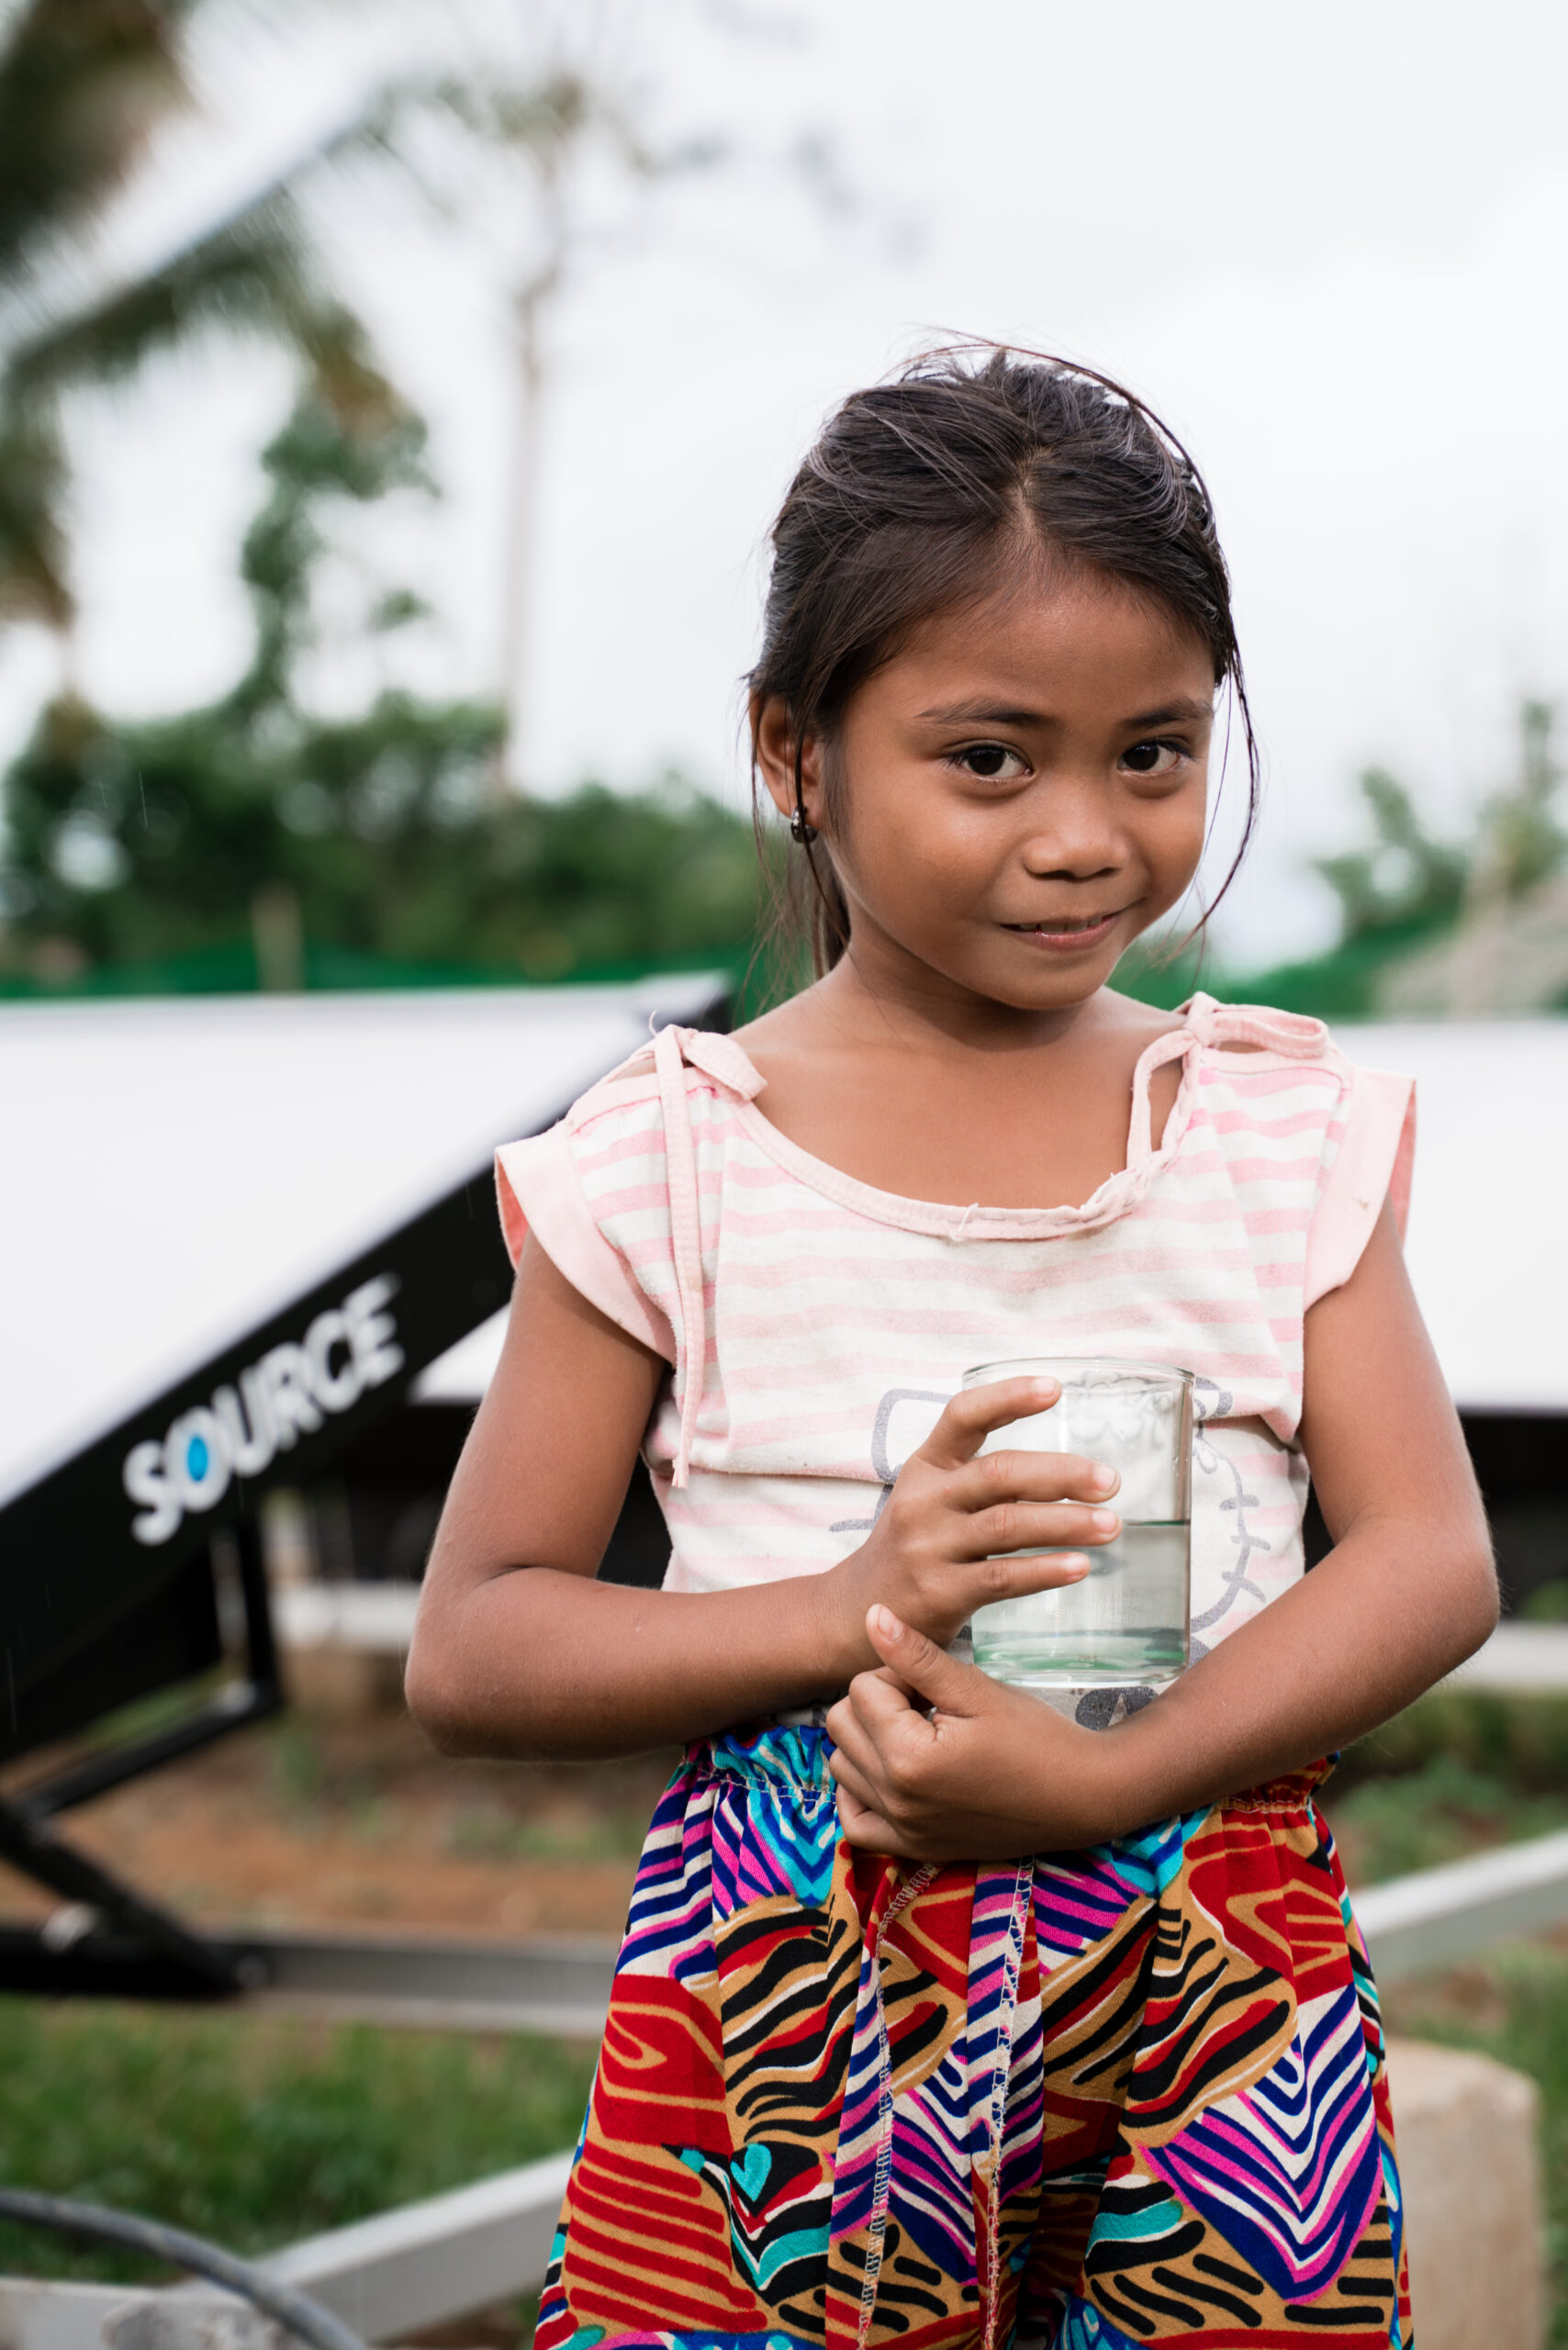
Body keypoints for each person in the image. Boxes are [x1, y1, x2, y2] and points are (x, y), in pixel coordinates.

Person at [406, 349, 1496, 2350]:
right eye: (988, 757)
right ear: (791, 749)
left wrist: (1121, 1777)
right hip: (787, 1991)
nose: (1083, 836)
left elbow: (1430, 1551)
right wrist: (845, 1601)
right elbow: (477, 1637)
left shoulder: (1271, 1130)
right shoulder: (664, 1163)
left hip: (1212, 1981)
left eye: (1151, 753)